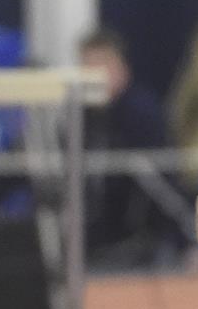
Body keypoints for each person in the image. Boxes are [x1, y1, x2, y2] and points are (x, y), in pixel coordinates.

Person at [75, 27, 186, 263]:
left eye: (100, 65)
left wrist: (178, 238)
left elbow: (164, 185)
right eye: (86, 67)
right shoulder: (78, 120)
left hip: (142, 241)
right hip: (91, 243)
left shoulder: (141, 113)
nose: (92, 75)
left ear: (121, 67)